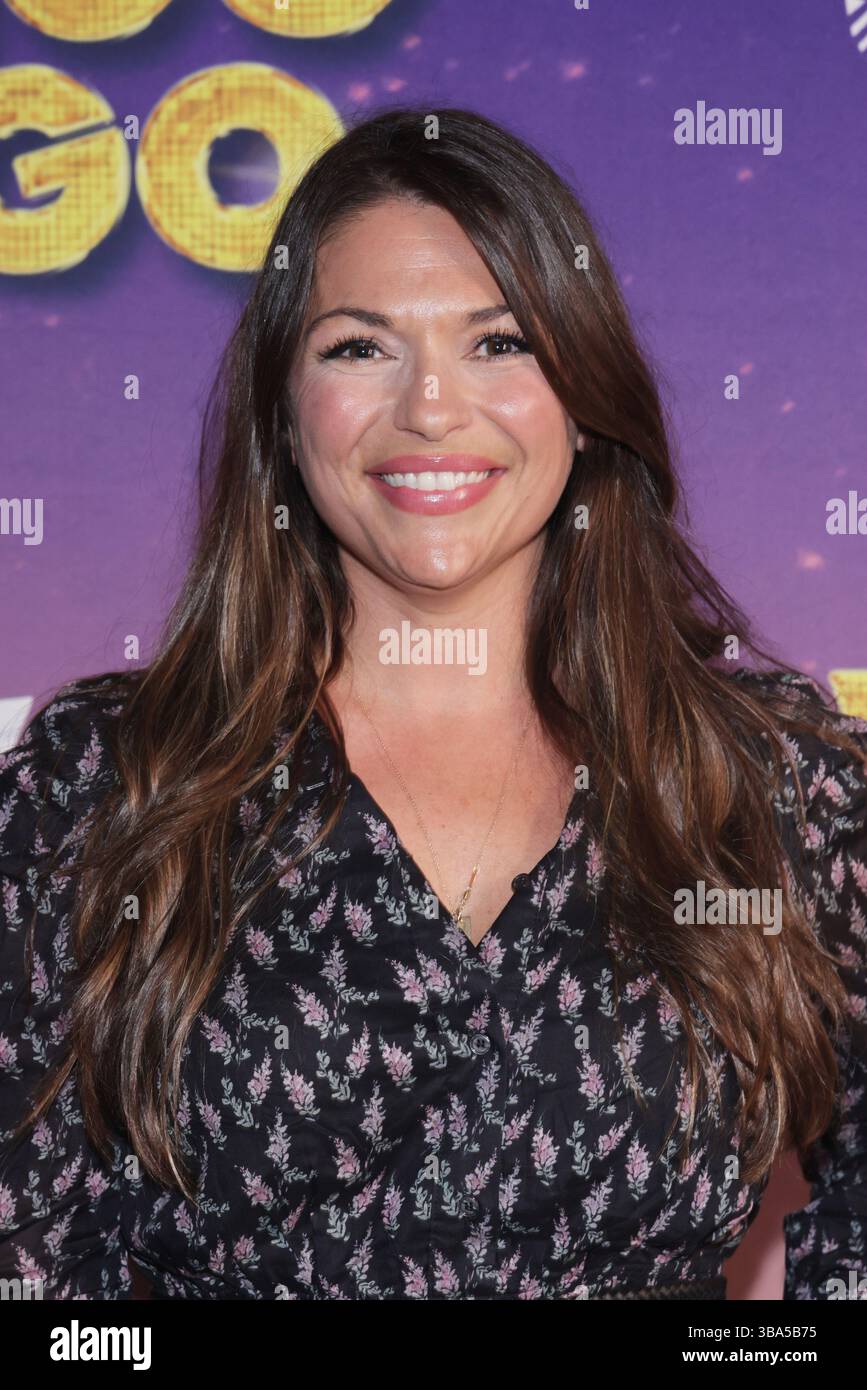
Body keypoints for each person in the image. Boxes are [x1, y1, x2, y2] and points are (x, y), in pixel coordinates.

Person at [1, 106, 865, 1302]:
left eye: (499, 342)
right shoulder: (105, 786)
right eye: (360, 347)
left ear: (583, 387)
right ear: (284, 412)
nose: (431, 408)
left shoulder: (771, 785)